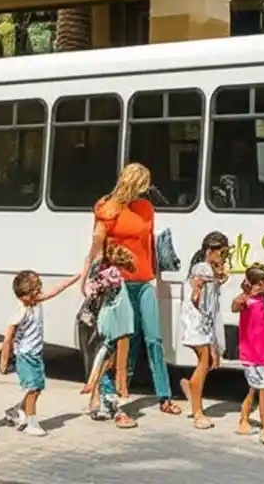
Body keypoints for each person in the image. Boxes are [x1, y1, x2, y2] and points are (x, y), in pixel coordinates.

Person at [81, 162, 182, 428]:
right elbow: (96, 247)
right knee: (119, 341)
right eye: (144, 183)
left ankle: (164, 395)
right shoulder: (107, 207)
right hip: (118, 284)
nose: (147, 188)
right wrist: (86, 277)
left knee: (154, 340)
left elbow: (148, 244)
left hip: (144, 280)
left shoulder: (146, 208)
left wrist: (154, 276)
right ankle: (112, 398)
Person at [0, 269, 80, 436]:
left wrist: (76, 277)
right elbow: (8, 337)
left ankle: (16, 410)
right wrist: (4, 361)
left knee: (38, 387)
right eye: (28, 296)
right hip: (25, 355)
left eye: (34, 293)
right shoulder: (20, 311)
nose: (31, 298)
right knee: (33, 388)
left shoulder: (36, 301)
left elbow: (57, 289)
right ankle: (31, 422)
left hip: (36, 354)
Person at [179, 231, 229, 430]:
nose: (223, 257)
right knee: (204, 361)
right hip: (196, 321)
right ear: (210, 251)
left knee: (208, 362)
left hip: (202, 320)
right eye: (221, 253)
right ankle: (198, 413)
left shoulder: (207, 268)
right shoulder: (202, 268)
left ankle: (190, 387)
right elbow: (202, 296)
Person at [80, 244, 136, 419]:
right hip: (108, 317)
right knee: (106, 353)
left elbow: (90, 288)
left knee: (108, 355)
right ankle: (101, 392)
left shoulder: (106, 270)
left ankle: (100, 392)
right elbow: (92, 289)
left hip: (109, 316)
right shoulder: (108, 272)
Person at [233, 263, 264, 447]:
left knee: (254, 389)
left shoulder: (260, 298)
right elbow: (235, 305)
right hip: (253, 356)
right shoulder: (247, 302)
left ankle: (243, 420)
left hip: (261, 355)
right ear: (261, 282)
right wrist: (246, 293)